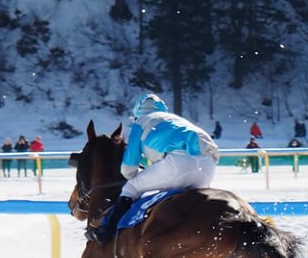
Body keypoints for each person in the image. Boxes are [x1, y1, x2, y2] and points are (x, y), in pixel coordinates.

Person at [91, 93, 220, 242]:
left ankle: (107, 232)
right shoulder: (177, 120)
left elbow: (128, 168)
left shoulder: (141, 122)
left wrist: (134, 176)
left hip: (178, 164)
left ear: (137, 113)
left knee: (131, 188)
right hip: (208, 167)